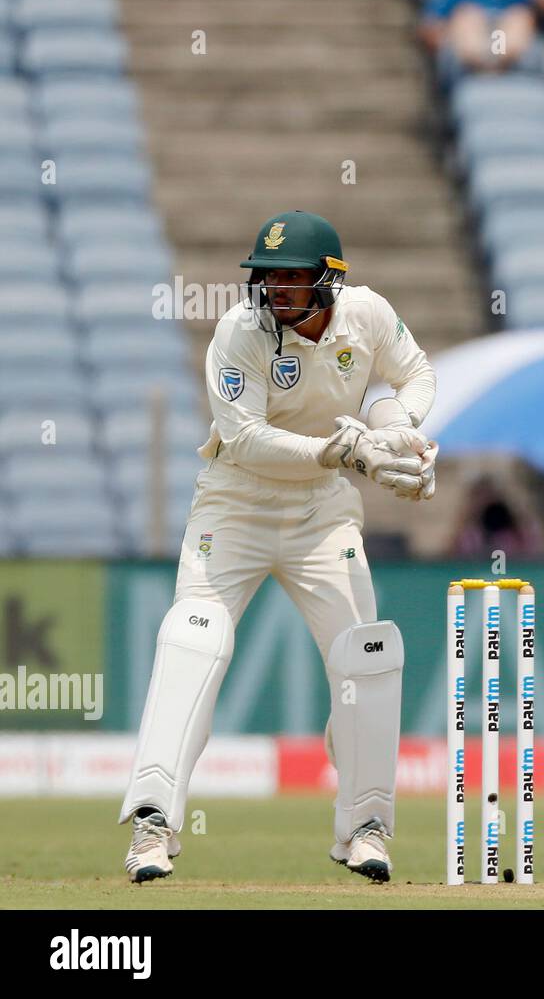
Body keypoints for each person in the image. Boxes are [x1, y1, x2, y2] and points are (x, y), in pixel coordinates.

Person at [119, 210, 439, 884]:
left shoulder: (370, 315)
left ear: (329, 280)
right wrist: (343, 451)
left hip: (323, 516)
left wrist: (396, 433)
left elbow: (415, 376)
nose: (277, 292)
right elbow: (248, 439)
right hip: (235, 504)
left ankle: (366, 826)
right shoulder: (239, 333)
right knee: (193, 639)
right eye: (268, 278)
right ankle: (153, 826)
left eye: (293, 277)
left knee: (367, 655)